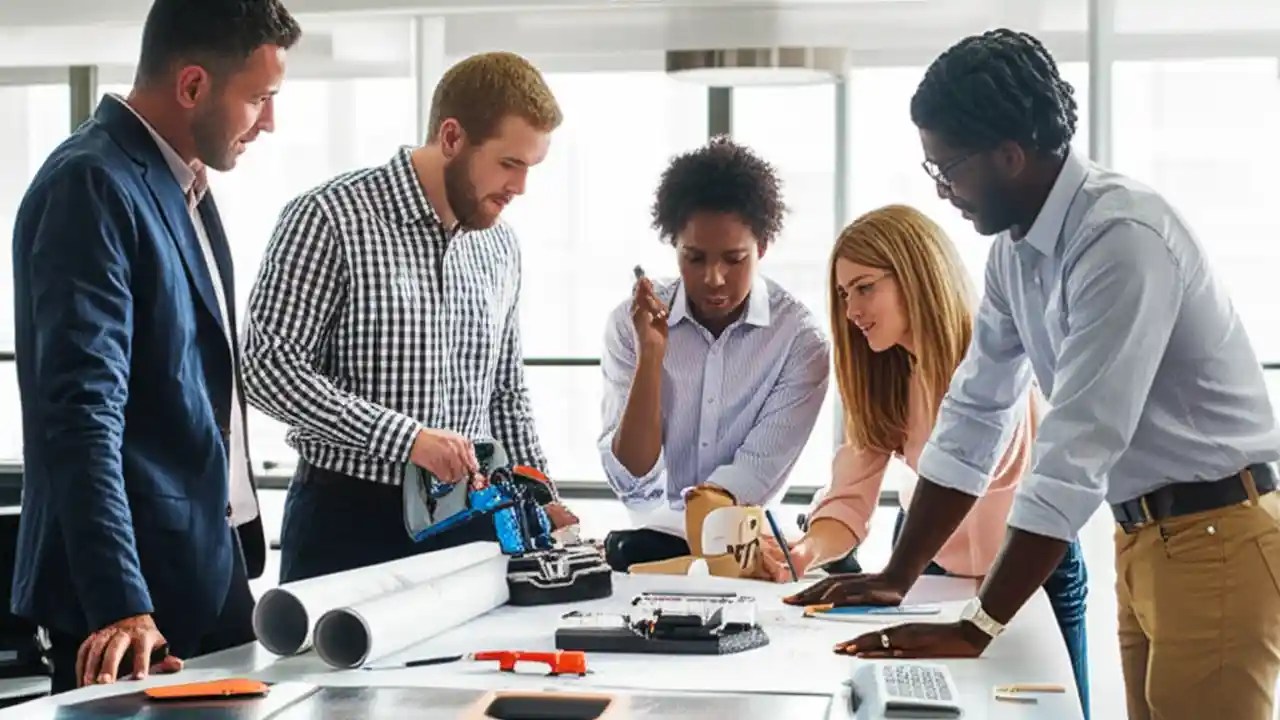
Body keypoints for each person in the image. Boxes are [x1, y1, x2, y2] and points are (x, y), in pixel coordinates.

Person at [785, 28, 1280, 720]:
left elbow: (1076, 449)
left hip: (1216, 534)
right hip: (1147, 536)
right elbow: (973, 414)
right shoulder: (1019, 255)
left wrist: (978, 625)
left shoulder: (1120, 241)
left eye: (947, 169)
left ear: (1009, 157)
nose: (944, 190)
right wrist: (897, 575)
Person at [9, 0, 300, 694]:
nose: (269, 122)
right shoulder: (92, 183)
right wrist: (121, 603)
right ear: (193, 85)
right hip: (135, 605)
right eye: (258, 98)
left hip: (204, 573)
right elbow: (82, 413)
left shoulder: (183, 182)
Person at [242, 51, 576, 584]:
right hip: (346, 522)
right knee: (330, 672)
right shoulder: (328, 218)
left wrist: (543, 496)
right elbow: (267, 370)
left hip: (472, 523)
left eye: (530, 168)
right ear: (451, 138)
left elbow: (505, 392)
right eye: (509, 164)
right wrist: (409, 439)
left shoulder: (501, 246)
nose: (520, 188)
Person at [764, 204, 1089, 713]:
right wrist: (804, 552)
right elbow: (850, 498)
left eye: (865, 287)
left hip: (1033, 571)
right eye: (844, 294)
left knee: (1052, 711)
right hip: (934, 569)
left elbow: (998, 467)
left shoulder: (994, 359)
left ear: (915, 274)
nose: (851, 311)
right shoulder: (883, 377)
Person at [598, 137, 830, 571]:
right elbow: (633, 472)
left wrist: (681, 536)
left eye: (734, 258)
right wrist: (652, 355)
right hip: (645, 555)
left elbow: (757, 472)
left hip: (738, 554)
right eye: (695, 257)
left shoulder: (800, 341)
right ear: (674, 246)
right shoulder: (629, 326)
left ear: (762, 248)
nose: (714, 278)